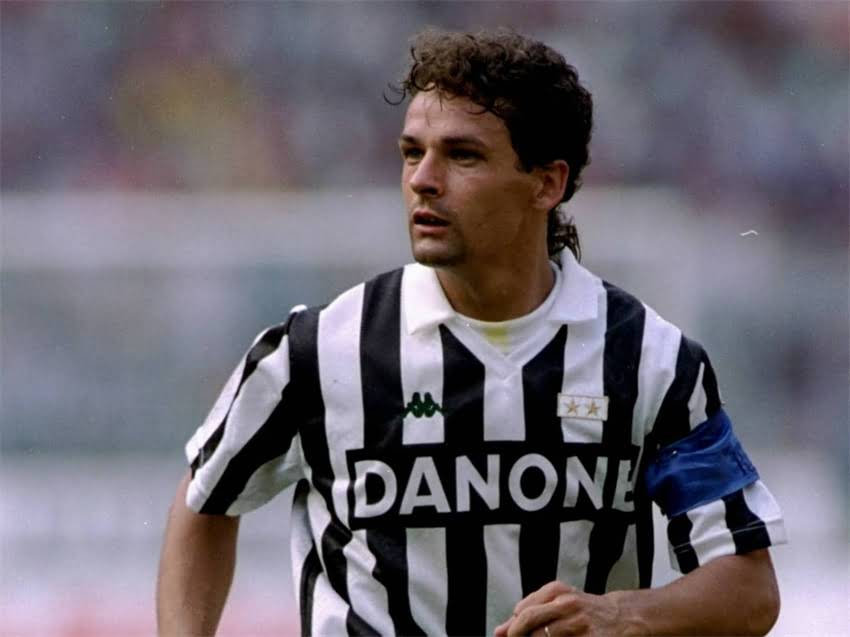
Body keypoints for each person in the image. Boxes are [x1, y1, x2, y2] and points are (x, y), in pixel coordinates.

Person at [157, 28, 786, 637]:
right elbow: (205, 500)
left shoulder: (652, 360)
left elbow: (750, 589)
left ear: (547, 183)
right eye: (412, 152)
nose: (422, 179)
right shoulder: (317, 352)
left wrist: (618, 616)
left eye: (463, 155)